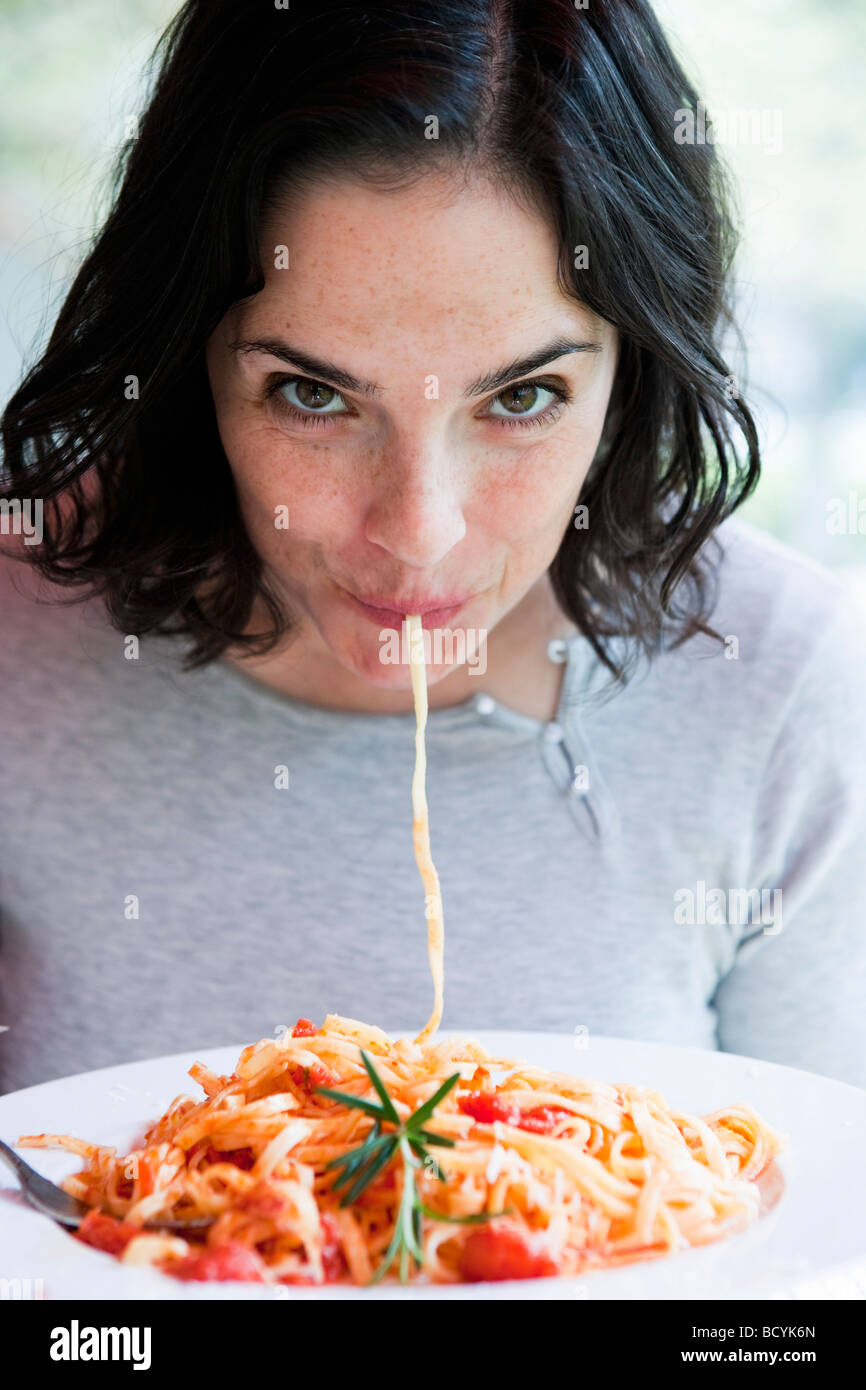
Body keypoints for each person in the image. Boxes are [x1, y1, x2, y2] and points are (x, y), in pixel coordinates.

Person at [1, 0, 864, 1094]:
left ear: (629, 369)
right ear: (187, 359)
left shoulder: (783, 694)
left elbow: (811, 1232)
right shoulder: (14, 635)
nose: (417, 531)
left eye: (523, 396)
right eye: (311, 394)